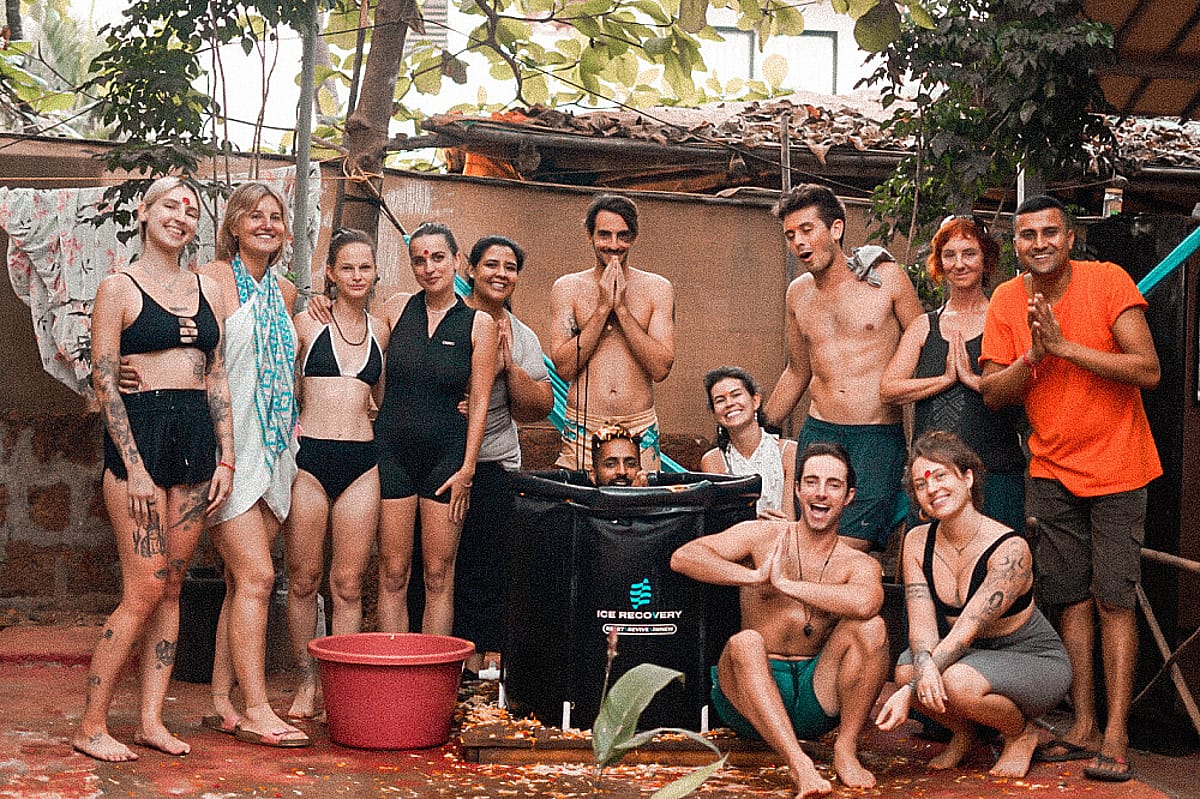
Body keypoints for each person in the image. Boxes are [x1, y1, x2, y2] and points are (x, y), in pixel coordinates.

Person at [980, 194, 1161, 783]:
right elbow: (993, 393)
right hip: (1051, 468)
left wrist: (1063, 348)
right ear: (1016, 245)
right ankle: (1082, 725)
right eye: (1027, 235)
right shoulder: (1008, 300)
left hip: (1119, 466)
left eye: (1049, 232)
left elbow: (1148, 370)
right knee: (1071, 599)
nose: (1039, 244)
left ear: (1070, 237)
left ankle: (1116, 732)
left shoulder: (1108, 282)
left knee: (1114, 598)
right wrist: (1034, 357)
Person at [74, 176, 234, 761]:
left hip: (195, 439)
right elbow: (106, 381)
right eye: (170, 205)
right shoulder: (119, 287)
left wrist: (228, 455)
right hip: (139, 440)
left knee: (172, 588)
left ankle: (149, 719)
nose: (182, 216)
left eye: (192, 210)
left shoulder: (208, 289)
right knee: (142, 588)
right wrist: (135, 469)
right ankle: (91, 723)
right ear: (144, 213)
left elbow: (215, 376)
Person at [671, 443, 889, 796]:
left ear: (849, 496)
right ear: (798, 488)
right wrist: (754, 578)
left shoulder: (856, 563)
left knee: (872, 628)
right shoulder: (763, 536)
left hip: (815, 693)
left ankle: (845, 749)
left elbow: (866, 603)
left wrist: (787, 584)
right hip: (747, 695)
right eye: (812, 482)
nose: (821, 493)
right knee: (746, 641)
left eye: (833, 485)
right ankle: (799, 764)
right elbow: (685, 557)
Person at [875, 431, 1070, 778]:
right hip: (966, 656)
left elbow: (964, 632)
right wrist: (917, 673)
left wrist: (907, 692)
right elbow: (921, 629)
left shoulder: (1010, 549)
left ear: (967, 478)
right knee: (909, 667)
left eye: (941, 476)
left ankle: (1021, 734)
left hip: (1031, 658)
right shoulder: (918, 541)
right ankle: (965, 734)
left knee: (953, 681)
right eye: (921, 484)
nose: (932, 488)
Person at [199, 182, 307, 747]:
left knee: (241, 582)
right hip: (229, 453)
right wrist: (131, 373)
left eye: (275, 217)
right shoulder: (215, 280)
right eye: (254, 216)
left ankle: (223, 702)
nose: (266, 224)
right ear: (235, 226)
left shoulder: (286, 292)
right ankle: (260, 707)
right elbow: (192, 352)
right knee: (260, 577)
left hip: (274, 449)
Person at [763, 185, 923, 552]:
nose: (799, 243)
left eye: (807, 230)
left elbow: (923, 342)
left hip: (875, 435)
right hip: (819, 430)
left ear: (835, 229)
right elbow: (797, 371)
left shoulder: (885, 279)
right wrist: (762, 429)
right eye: (790, 235)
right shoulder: (797, 293)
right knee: (808, 542)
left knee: (849, 547)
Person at [284, 229, 390, 719]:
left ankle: (338, 689)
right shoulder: (306, 322)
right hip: (309, 461)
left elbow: (380, 398)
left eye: (364, 267)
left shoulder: (381, 330)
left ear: (374, 273)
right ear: (330, 272)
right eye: (346, 267)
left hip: (361, 465)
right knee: (304, 579)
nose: (356, 276)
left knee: (348, 584)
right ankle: (307, 683)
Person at [373, 222, 498, 635]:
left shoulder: (479, 324)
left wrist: (468, 469)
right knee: (392, 572)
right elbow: (356, 342)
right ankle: (394, 673)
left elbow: (479, 400)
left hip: (447, 458)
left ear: (458, 260)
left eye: (438, 257)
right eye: (419, 260)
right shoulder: (394, 308)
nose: (429, 268)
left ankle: (433, 688)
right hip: (392, 454)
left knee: (439, 575)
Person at [880, 216, 1026, 532]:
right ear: (939, 262)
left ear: (986, 259)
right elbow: (889, 388)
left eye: (969, 253)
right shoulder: (924, 326)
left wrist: (975, 381)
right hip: (934, 477)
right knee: (929, 566)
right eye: (949, 254)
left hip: (994, 473)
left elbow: (1023, 393)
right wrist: (944, 380)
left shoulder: (1005, 322)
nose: (959, 264)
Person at [453, 235, 553, 676]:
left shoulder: (523, 335)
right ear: (470, 269)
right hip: (440, 459)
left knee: (488, 562)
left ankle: (484, 658)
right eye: (490, 264)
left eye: (509, 267)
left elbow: (540, 407)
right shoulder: (447, 318)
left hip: (496, 461)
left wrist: (507, 368)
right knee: (439, 566)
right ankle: (445, 652)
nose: (500, 273)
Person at [550, 194, 675, 473]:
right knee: (578, 510)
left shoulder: (658, 288)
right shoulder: (567, 288)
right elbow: (564, 367)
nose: (614, 245)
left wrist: (621, 309)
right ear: (589, 235)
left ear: (634, 237)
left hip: (639, 425)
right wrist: (603, 308)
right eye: (604, 235)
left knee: (641, 509)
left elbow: (660, 367)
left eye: (623, 236)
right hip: (583, 426)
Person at [701, 366, 796, 520]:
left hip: (784, 537)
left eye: (736, 395)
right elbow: (721, 522)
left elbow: (790, 520)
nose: (729, 403)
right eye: (720, 400)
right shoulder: (713, 460)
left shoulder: (788, 452)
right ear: (714, 413)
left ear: (755, 400)